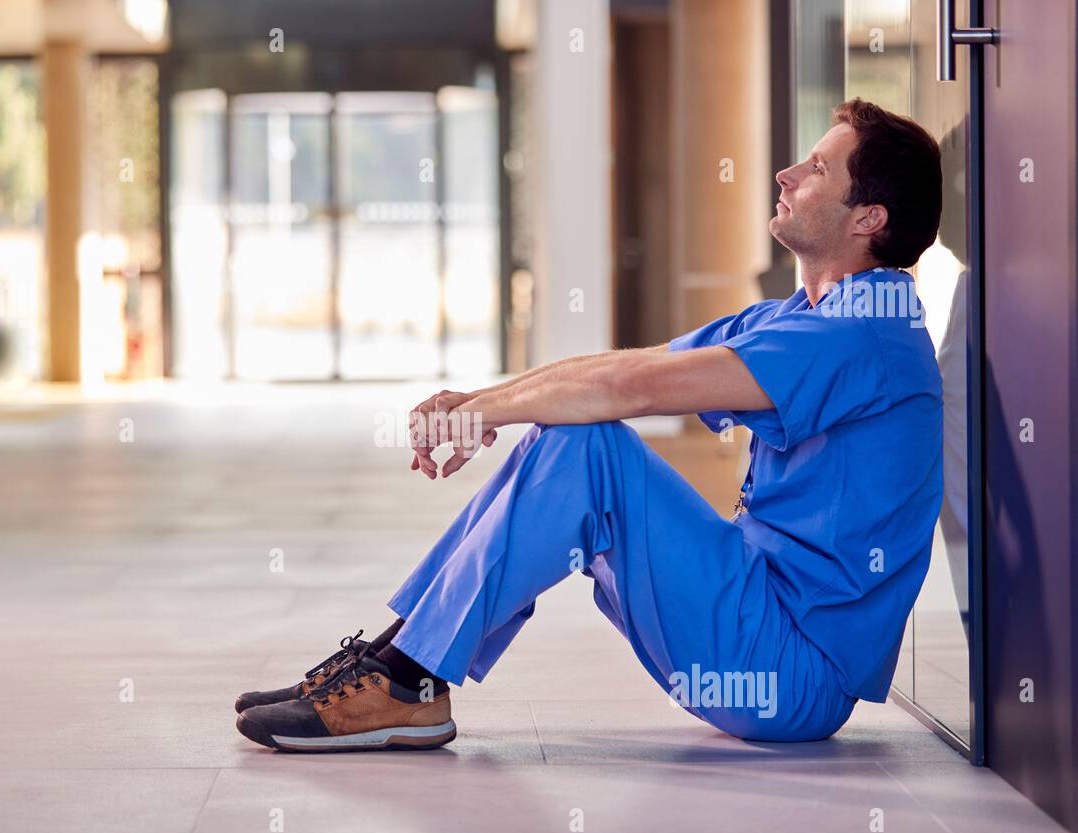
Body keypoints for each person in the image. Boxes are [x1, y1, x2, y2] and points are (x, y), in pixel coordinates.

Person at [235, 98, 945, 754]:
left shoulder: (864, 330)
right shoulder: (801, 316)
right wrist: (479, 402)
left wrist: (481, 413)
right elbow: (620, 366)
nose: (787, 174)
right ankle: (397, 665)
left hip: (791, 671)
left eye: (818, 168)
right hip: (752, 619)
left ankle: (405, 678)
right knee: (571, 434)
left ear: (868, 219)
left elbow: (625, 390)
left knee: (589, 446)